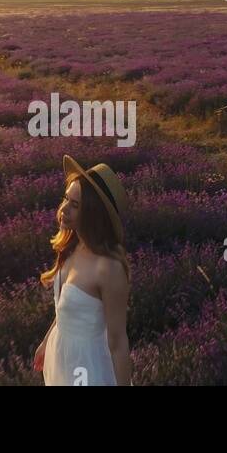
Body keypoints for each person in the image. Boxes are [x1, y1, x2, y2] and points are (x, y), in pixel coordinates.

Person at [33, 155, 132, 386]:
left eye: (75, 205)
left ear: (93, 213)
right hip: (62, 356)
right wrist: (46, 341)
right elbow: (65, 311)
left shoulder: (108, 268)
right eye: (66, 198)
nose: (63, 209)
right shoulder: (73, 247)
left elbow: (118, 342)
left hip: (87, 367)